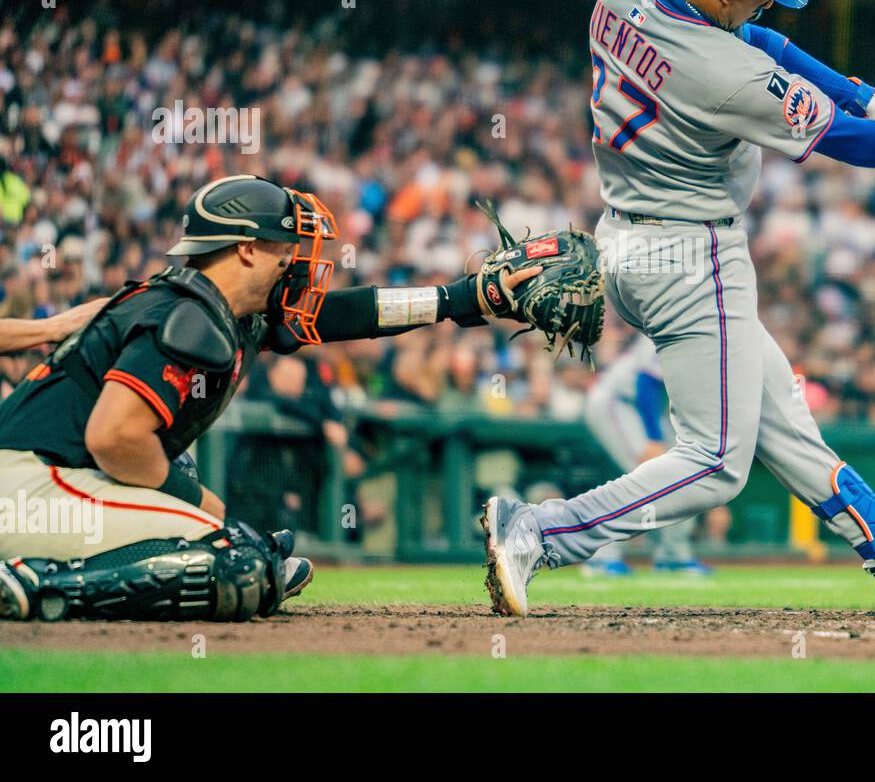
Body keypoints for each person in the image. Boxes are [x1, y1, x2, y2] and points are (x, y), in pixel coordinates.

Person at [482, 0, 875, 617]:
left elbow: (764, 41)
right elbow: (844, 142)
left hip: (625, 238)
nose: (768, 4)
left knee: (785, 427)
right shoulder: (723, 74)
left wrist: (858, 93)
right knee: (714, 464)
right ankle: (542, 531)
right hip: (690, 256)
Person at [0, 173, 538, 622]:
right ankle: (37, 581)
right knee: (235, 557)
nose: (299, 260)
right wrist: (195, 500)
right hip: (28, 489)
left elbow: (352, 313)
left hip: (52, 486)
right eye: (288, 245)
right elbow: (114, 438)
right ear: (249, 249)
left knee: (248, 554)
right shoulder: (187, 315)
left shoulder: (221, 310)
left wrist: (466, 298)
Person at [582, 335, 710, 575]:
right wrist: (653, 438)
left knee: (685, 472)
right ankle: (601, 556)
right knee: (644, 476)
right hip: (619, 401)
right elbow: (646, 383)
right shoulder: (671, 322)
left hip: (654, 412)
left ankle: (674, 556)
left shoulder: (710, 330)